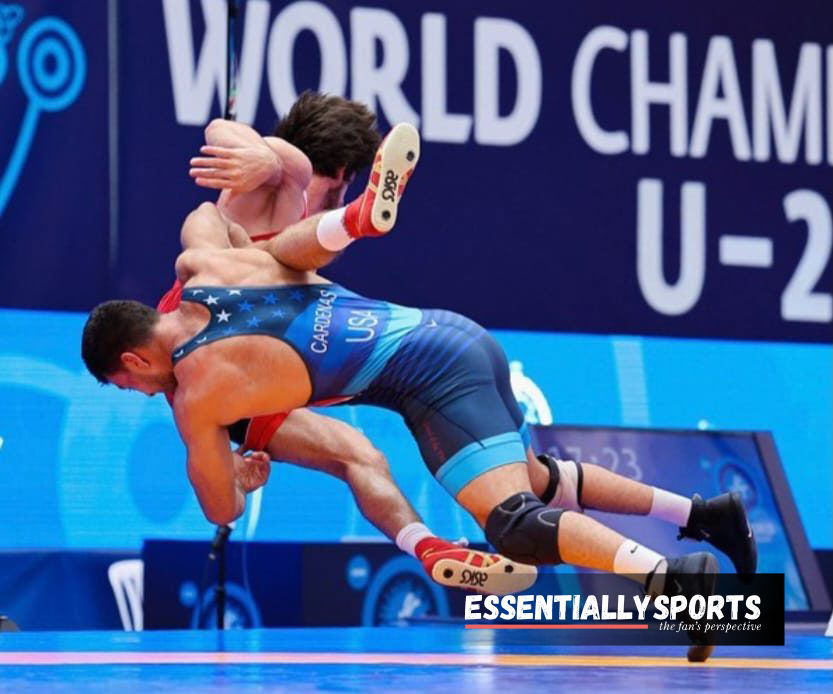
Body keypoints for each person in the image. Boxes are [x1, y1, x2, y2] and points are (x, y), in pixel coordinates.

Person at [82, 187, 757, 628]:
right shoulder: (206, 262)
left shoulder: (195, 397)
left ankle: (671, 579)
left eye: (127, 385)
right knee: (537, 478)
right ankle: (703, 515)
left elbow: (222, 511)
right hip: (454, 333)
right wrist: (252, 172)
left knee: (514, 522)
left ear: (136, 360)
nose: (143, 394)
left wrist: (239, 478)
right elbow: (210, 211)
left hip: (430, 378)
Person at [156, 96, 537, 595]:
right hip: (207, 343)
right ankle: (359, 218)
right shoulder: (268, 179)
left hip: (244, 373)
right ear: (334, 172)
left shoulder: (287, 203)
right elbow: (222, 131)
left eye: (342, 196)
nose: (329, 194)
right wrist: (267, 159)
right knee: (346, 451)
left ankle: (428, 547)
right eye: (339, 188)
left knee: (360, 456)